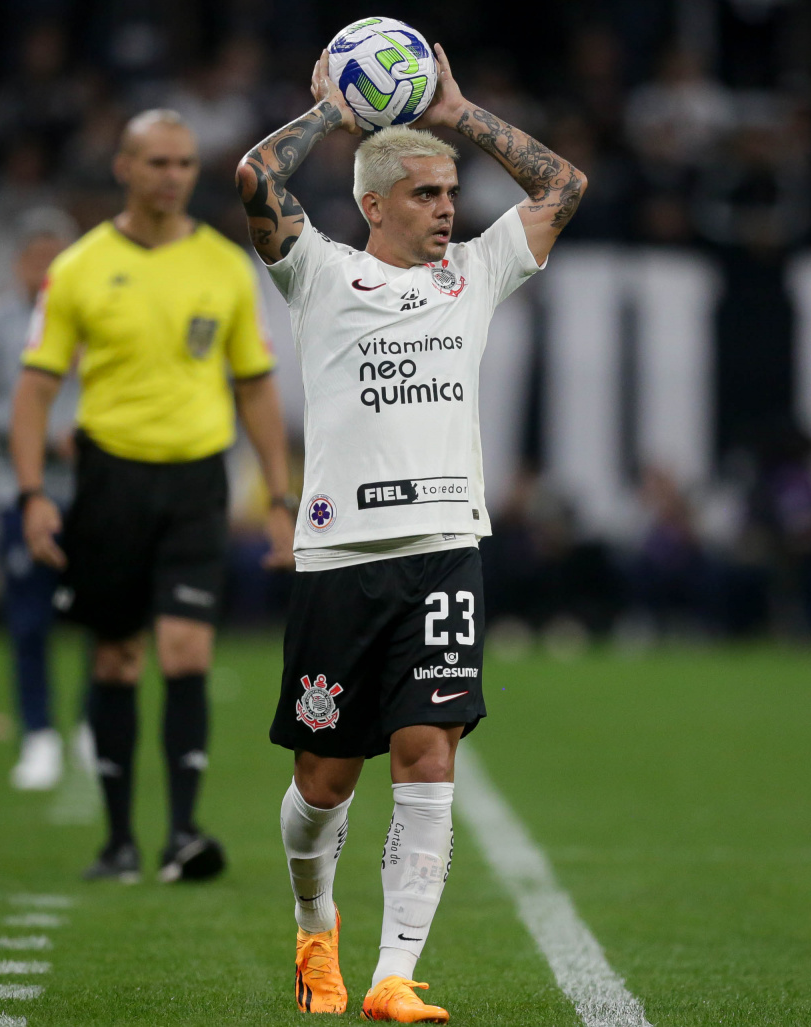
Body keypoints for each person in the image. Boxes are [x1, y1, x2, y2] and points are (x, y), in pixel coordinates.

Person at [236, 43, 586, 1021]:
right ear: (376, 204)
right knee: (323, 778)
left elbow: (564, 184)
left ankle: (394, 975)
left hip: (442, 554)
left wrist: (462, 112)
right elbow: (256, 178)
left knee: (429, 751)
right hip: (338, 561)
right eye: (428, 193)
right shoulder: (320, 276)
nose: (448, 209)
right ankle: (317, 928)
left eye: (450, 192)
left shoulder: (473, 276)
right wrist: (323, 113)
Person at [12, 109, 295, 884]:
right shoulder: (77, 267)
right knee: (116, 654)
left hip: (196, 480)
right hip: (109, 479)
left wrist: (279, 495)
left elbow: (257, 388)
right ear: (124, 168)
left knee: (186, 647)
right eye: (158, 163)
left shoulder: (224, 266)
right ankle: (117, 841)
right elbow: (36, 391)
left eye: (183, 163)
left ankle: (181, 833)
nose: (174, 176)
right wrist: (35, 492)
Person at [0, 207, 80, 791]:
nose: (46, 271)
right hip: (21, 492)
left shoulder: (92, 322)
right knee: (29, 622)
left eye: (57, 259)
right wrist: (41, 439)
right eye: (37, 259)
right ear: (18, 263)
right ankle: (38, 735)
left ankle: (90, 726)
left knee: (102, 616)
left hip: (90, 491)